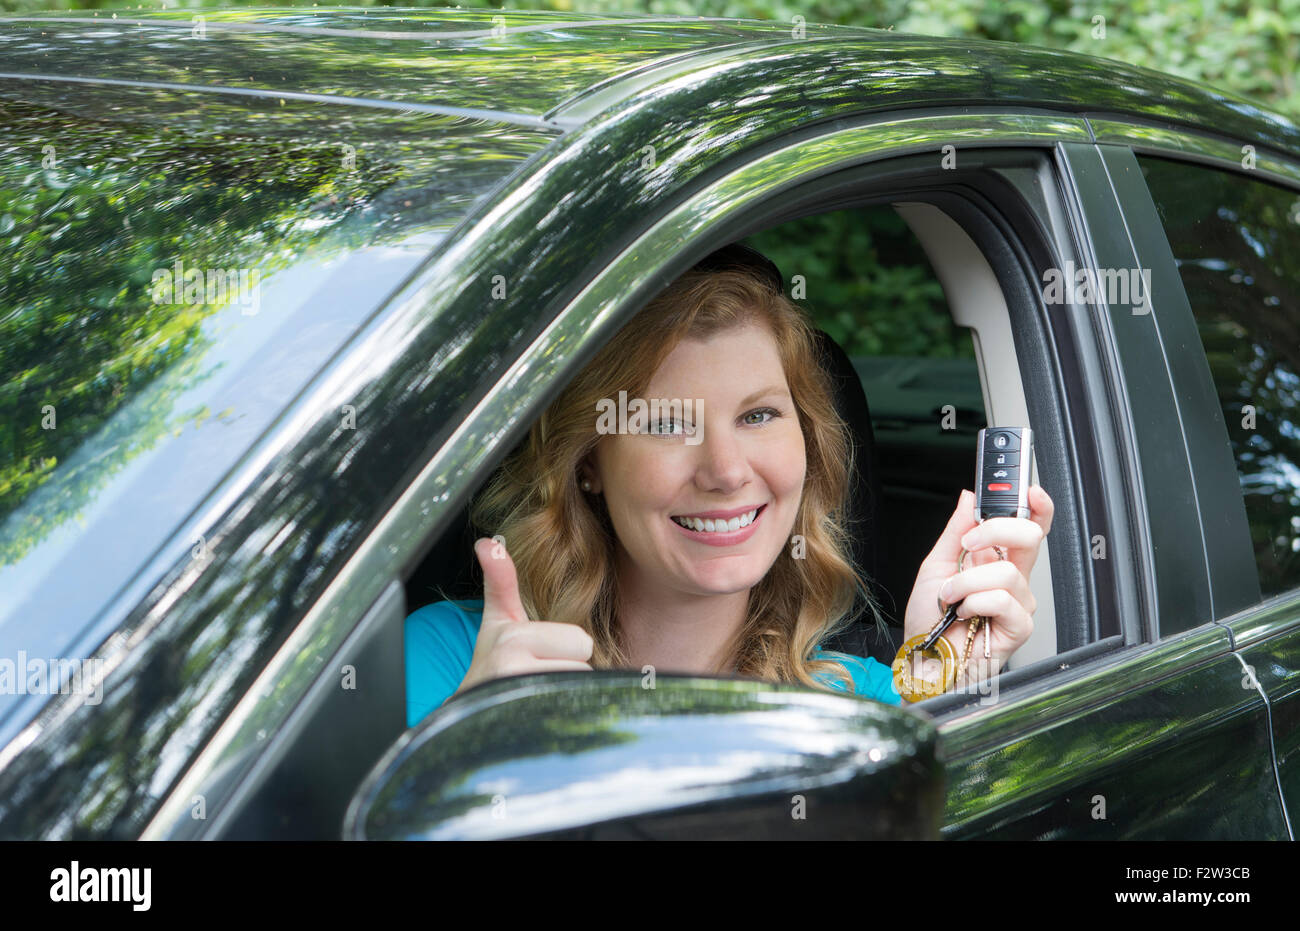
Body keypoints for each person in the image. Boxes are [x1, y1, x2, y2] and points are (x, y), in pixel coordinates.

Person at [405, 244, 1053, 728]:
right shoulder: (451, 664)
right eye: (667, 423)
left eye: (758, 415)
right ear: (588, 461)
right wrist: (465, 748)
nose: (725, 468)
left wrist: (947, 682)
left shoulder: (876, 700)